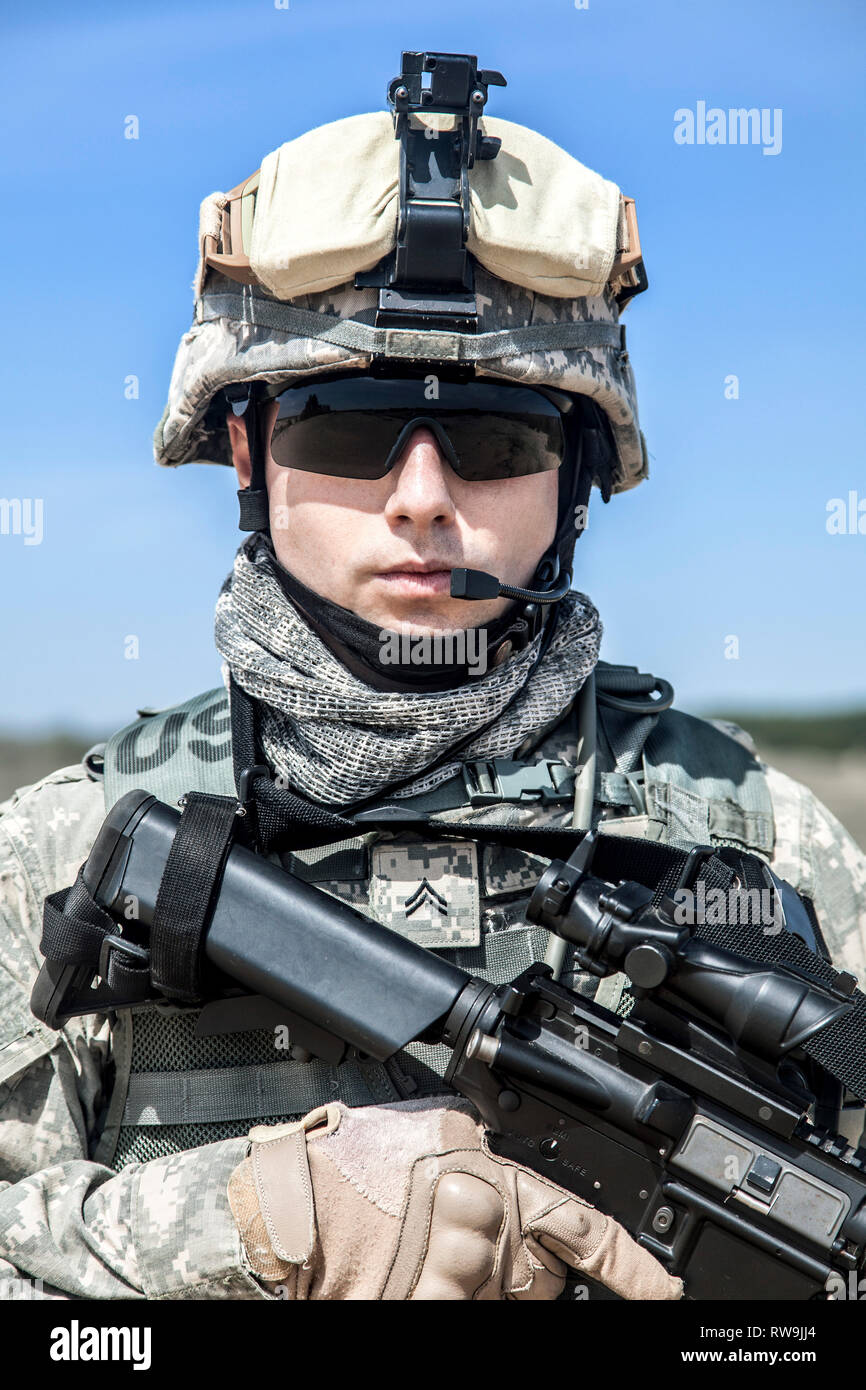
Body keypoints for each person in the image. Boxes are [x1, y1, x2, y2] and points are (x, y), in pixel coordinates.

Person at [0, 51, 863, 1302]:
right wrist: (252, 1227)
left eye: (491, 438)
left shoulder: (764, 842)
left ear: (571, 476)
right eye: (347, 428)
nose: (420, 500)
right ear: (246, 448)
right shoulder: (60, 853)